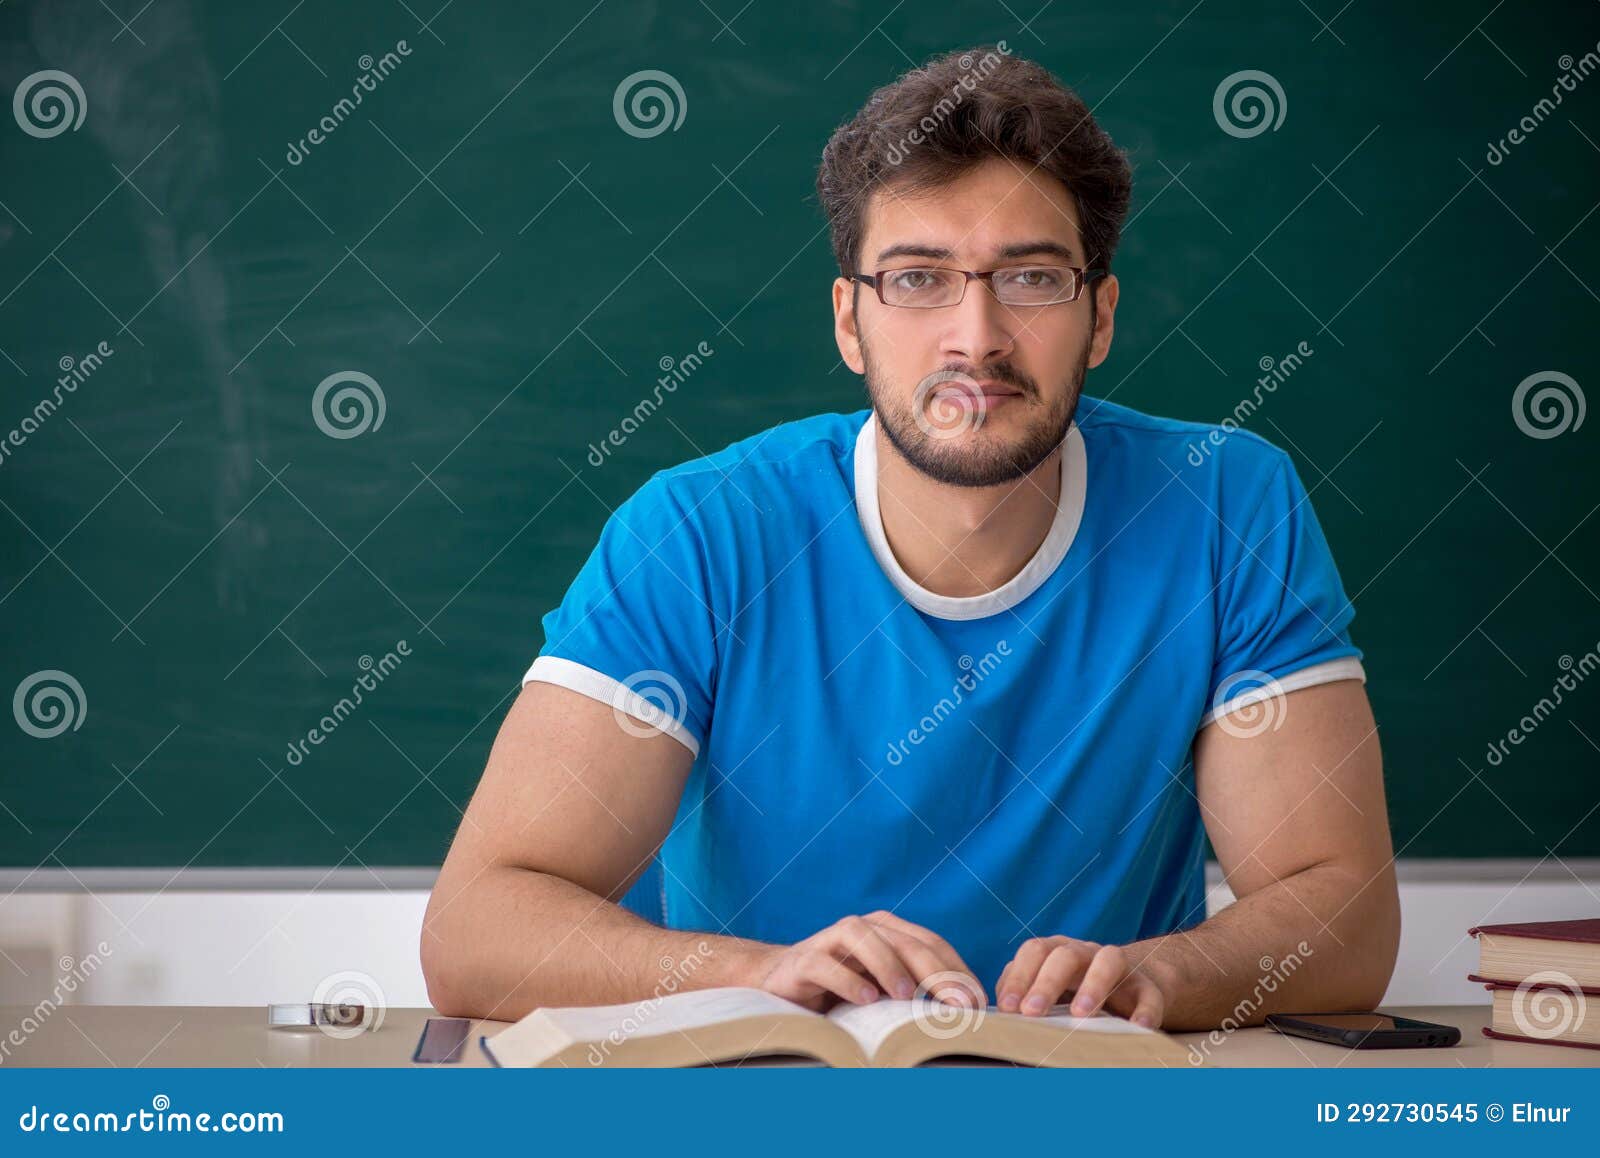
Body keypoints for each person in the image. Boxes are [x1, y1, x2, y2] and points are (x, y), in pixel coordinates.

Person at [422, 46, 1399, 1031]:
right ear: (850, 321)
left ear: (1099, 317)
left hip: (1094, 1091)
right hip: (767, 1091)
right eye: (919, 278)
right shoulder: (698, 535)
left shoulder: (1223, 506)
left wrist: (1160, 979)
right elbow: (475, 933)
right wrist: (766, 976)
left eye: (1031, 277)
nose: (976, 337)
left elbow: (1346, 919)